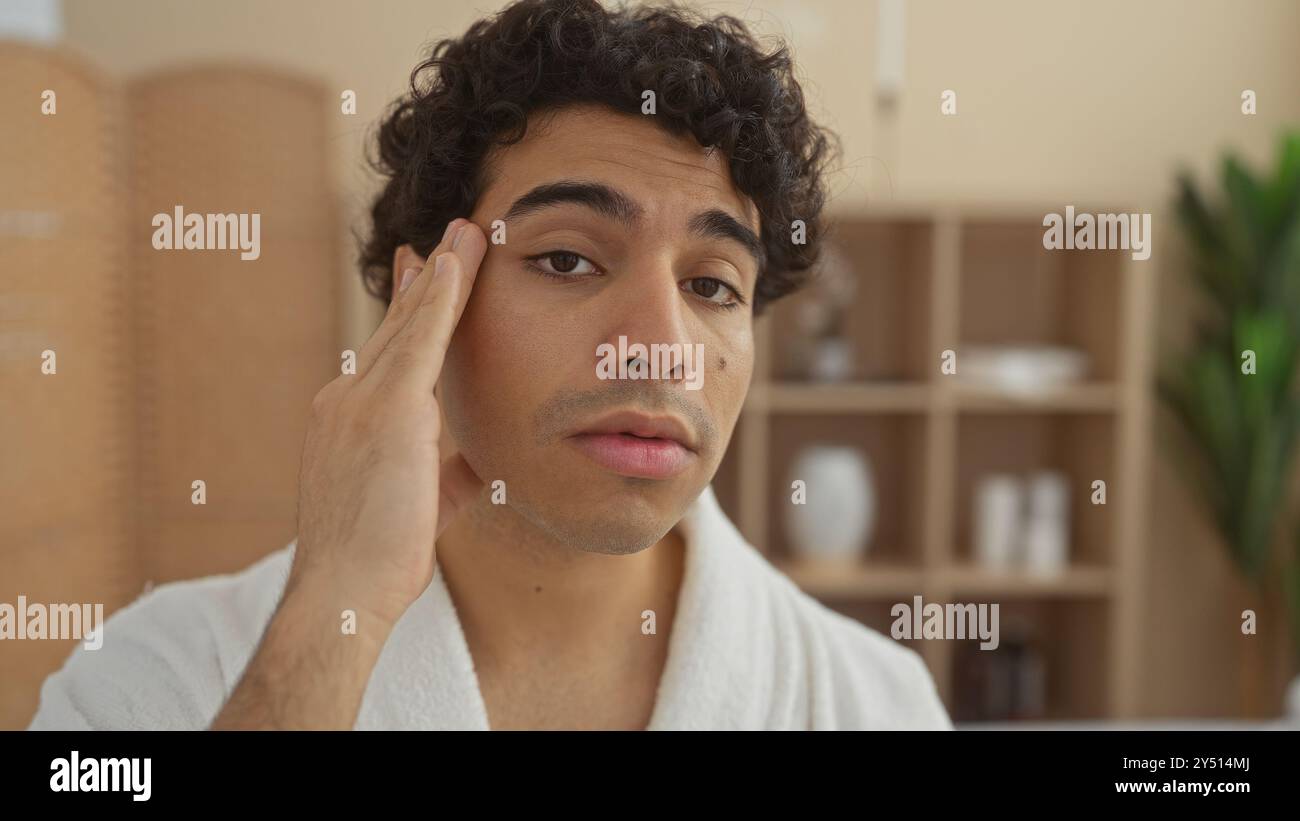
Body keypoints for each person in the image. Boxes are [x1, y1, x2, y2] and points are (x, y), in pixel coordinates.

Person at [28, 0, 950, 731]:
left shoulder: (873, 703)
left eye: (713, 284)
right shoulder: (152, 684)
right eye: (566, 259)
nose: (660, 345)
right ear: (426, 298)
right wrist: (333, 611)